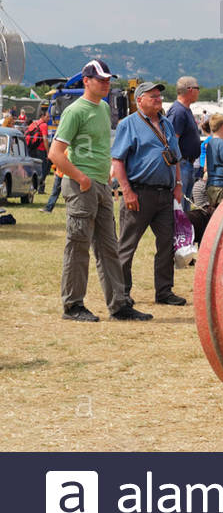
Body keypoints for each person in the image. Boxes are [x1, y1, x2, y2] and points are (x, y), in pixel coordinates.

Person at [47, 59, 151, 322]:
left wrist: (105, 177)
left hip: (101, 185)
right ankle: (73, 305)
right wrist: (82, 178)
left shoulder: (104, 109)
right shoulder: (75, 111)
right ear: (86, 81)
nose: (106, 83)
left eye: (108, 80)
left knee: (109, 248)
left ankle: (119, 305)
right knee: (78, 245)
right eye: (101, 79)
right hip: (83, 185)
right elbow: (55, 154)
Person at [111, 81, 186, 307]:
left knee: (166, 245)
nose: (158, 99)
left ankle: (164, 291)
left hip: (165, 194)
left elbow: (175, 157)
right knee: (127, 246)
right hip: (139, 193)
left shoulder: (167, 124)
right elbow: (118, 161)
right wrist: (127, 192)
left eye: (160, 96)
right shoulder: (129, 124)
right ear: (139, 100)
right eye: (153, 96)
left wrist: (179, 183)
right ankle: (121, 293)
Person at [167, 76, 202, 211]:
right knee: (180, 208)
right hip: (181, 165)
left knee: (185, 208)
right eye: (197, 88)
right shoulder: (178, 112)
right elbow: (172, 142)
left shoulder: (184, 110)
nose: (199, 91)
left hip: (186, 164)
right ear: (190, 90)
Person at [25, 110, 50, 192]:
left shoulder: (34, 123)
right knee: (44, 169)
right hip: (40, 150)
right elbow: (45, 139)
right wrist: (48, 152)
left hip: (32, 149)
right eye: (47, 116)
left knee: (34, 169)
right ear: (42, 116)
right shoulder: (44, 125)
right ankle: (40, 188)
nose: (49, 118)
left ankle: (32, 186)